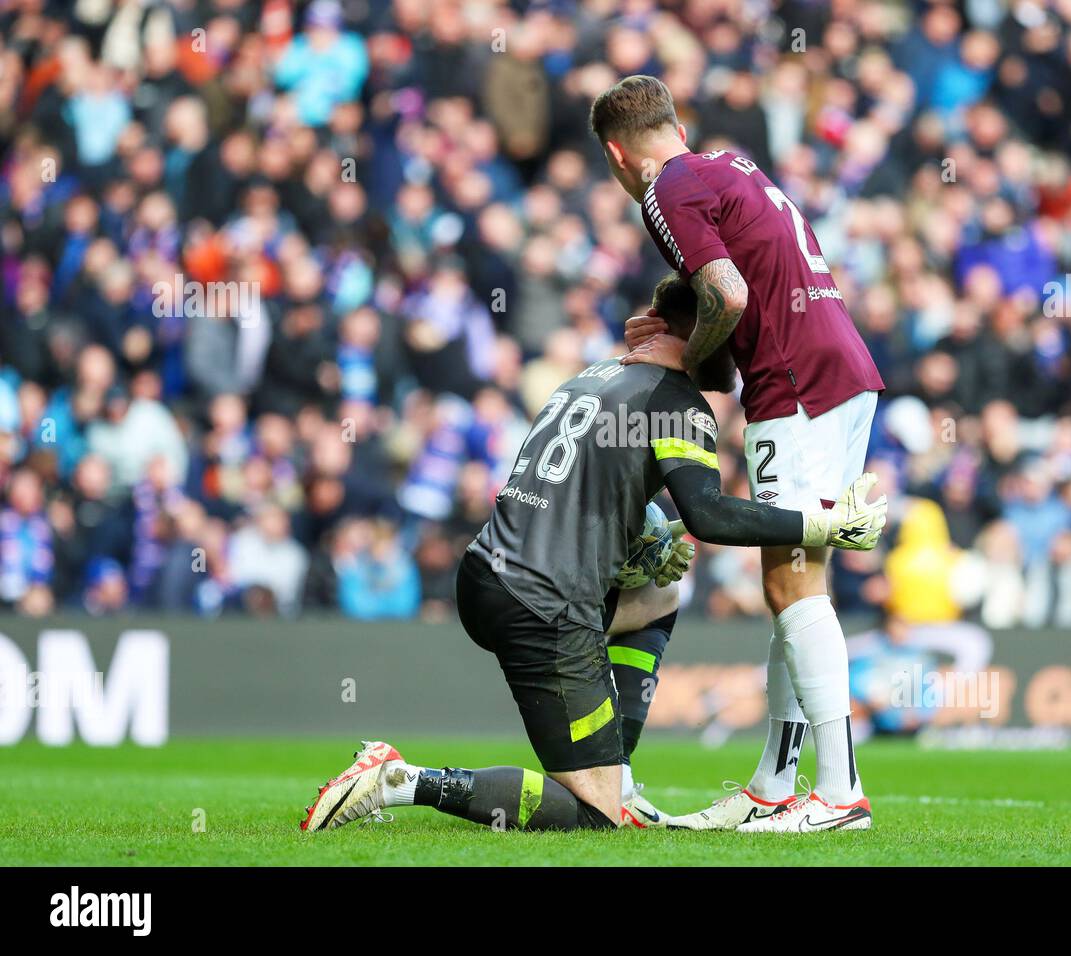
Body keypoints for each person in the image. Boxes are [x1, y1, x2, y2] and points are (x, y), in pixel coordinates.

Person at [301, 276, 887, 832]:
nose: (737, 356)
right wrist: (825, 524)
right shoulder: (678, 402)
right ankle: (399, 780)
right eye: (730, 339)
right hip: (545, 600)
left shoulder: (596, 375)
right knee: (591, 815)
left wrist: (650, 533)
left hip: (490, 568)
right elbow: (709, 515)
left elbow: (581, 480)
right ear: (701, 334)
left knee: (657, 593)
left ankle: (620, 778)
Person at [591, 75, 886, 831]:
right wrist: (681, 317)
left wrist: (682, 354)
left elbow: (726, 295)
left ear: (618, 154)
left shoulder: (665, 189)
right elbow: (738, 286)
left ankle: (841, 794)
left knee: (792, 587)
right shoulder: (731, 167)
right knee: (794, 585)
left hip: (796, 383)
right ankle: (773, 787)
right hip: (842, 369)